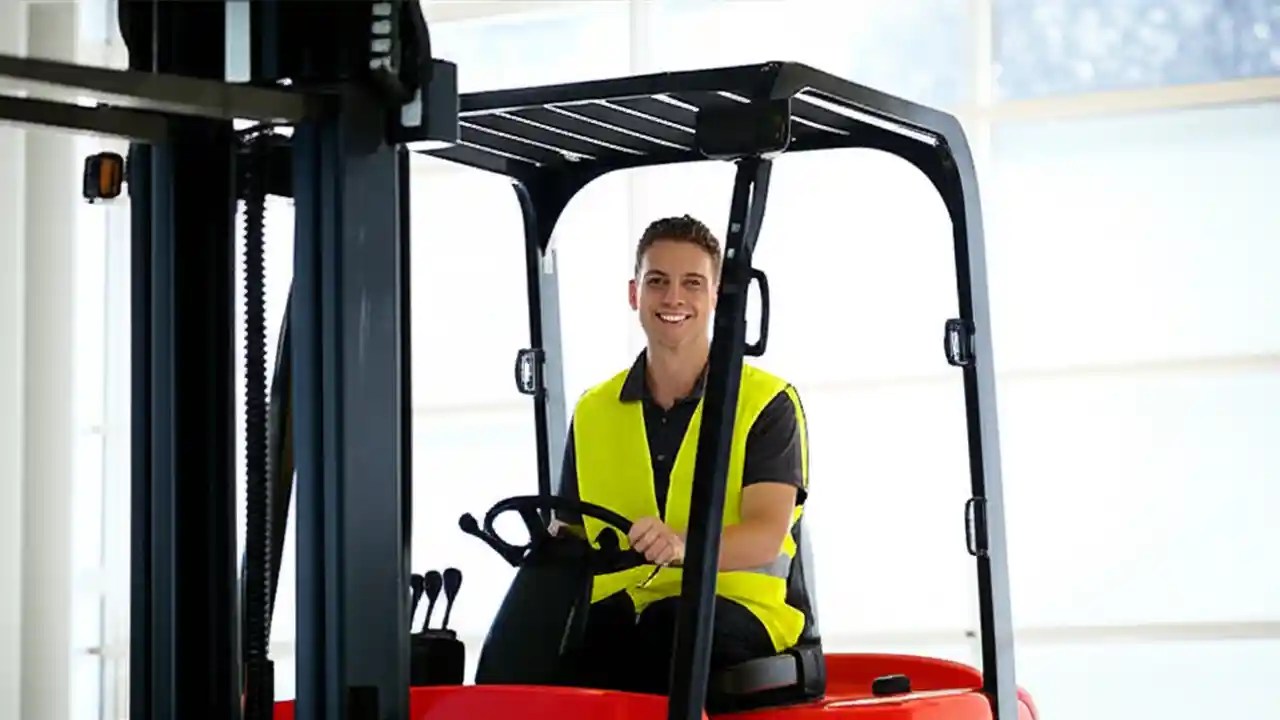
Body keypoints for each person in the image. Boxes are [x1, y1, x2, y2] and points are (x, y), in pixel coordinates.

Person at [554, 214, 814, 704]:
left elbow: (765, 535)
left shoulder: (765, 402)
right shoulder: (593, 410)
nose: (673, 298)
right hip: (625, 607)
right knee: (536, 649)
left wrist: (680, 547)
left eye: (692, 283)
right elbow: (571, 529)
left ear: (715, 296)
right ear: (635, 294)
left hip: (739, 607)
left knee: (667, 629)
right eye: (658, 282)